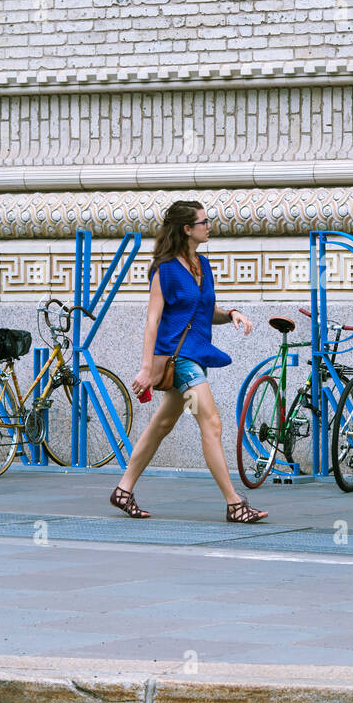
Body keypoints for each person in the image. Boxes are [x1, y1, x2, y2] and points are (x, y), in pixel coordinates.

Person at [109, 200, 268, 523]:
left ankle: (123, 490)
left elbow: (203, 311)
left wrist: (232, 314)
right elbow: (152, 321)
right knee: (211, 422)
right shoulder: (164, 269)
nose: (209, 226)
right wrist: (145, 368)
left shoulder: (203, 265)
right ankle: (234, 503)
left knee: (162, 425)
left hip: (195, 355)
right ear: (187, 229)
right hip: (181, 361)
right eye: (203, 222)